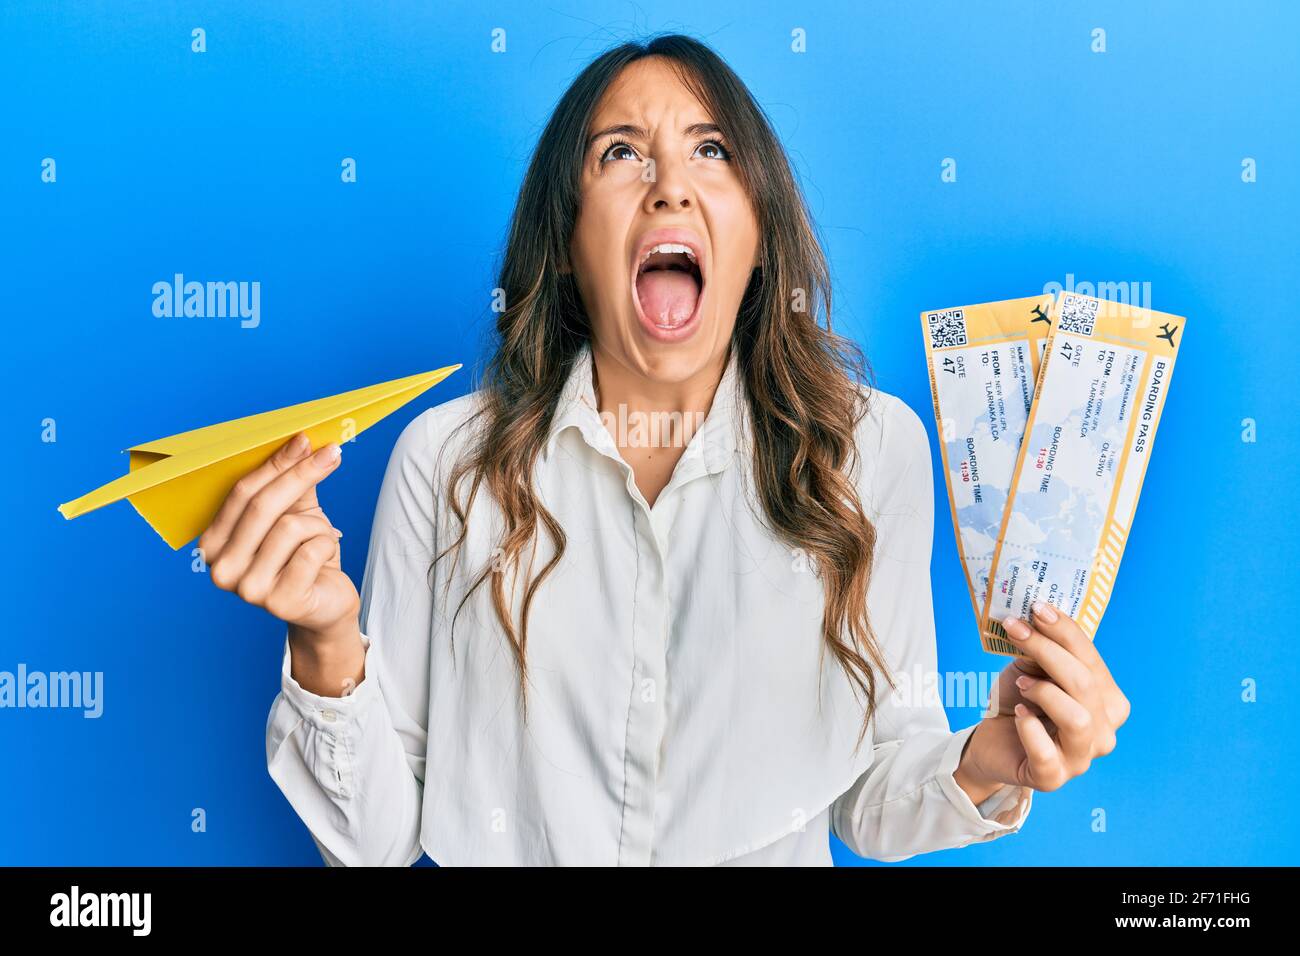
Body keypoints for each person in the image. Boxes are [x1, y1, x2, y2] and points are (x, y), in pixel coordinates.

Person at [198, 34, 1129, 866]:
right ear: (565, 241)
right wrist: (324, 642)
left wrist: (997, 756)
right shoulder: (445, 464)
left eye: (712, 151)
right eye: (621, 154)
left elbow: (874, 802)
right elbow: (374, 843)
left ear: (759, 232)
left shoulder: (868, 449)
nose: (670, 184)